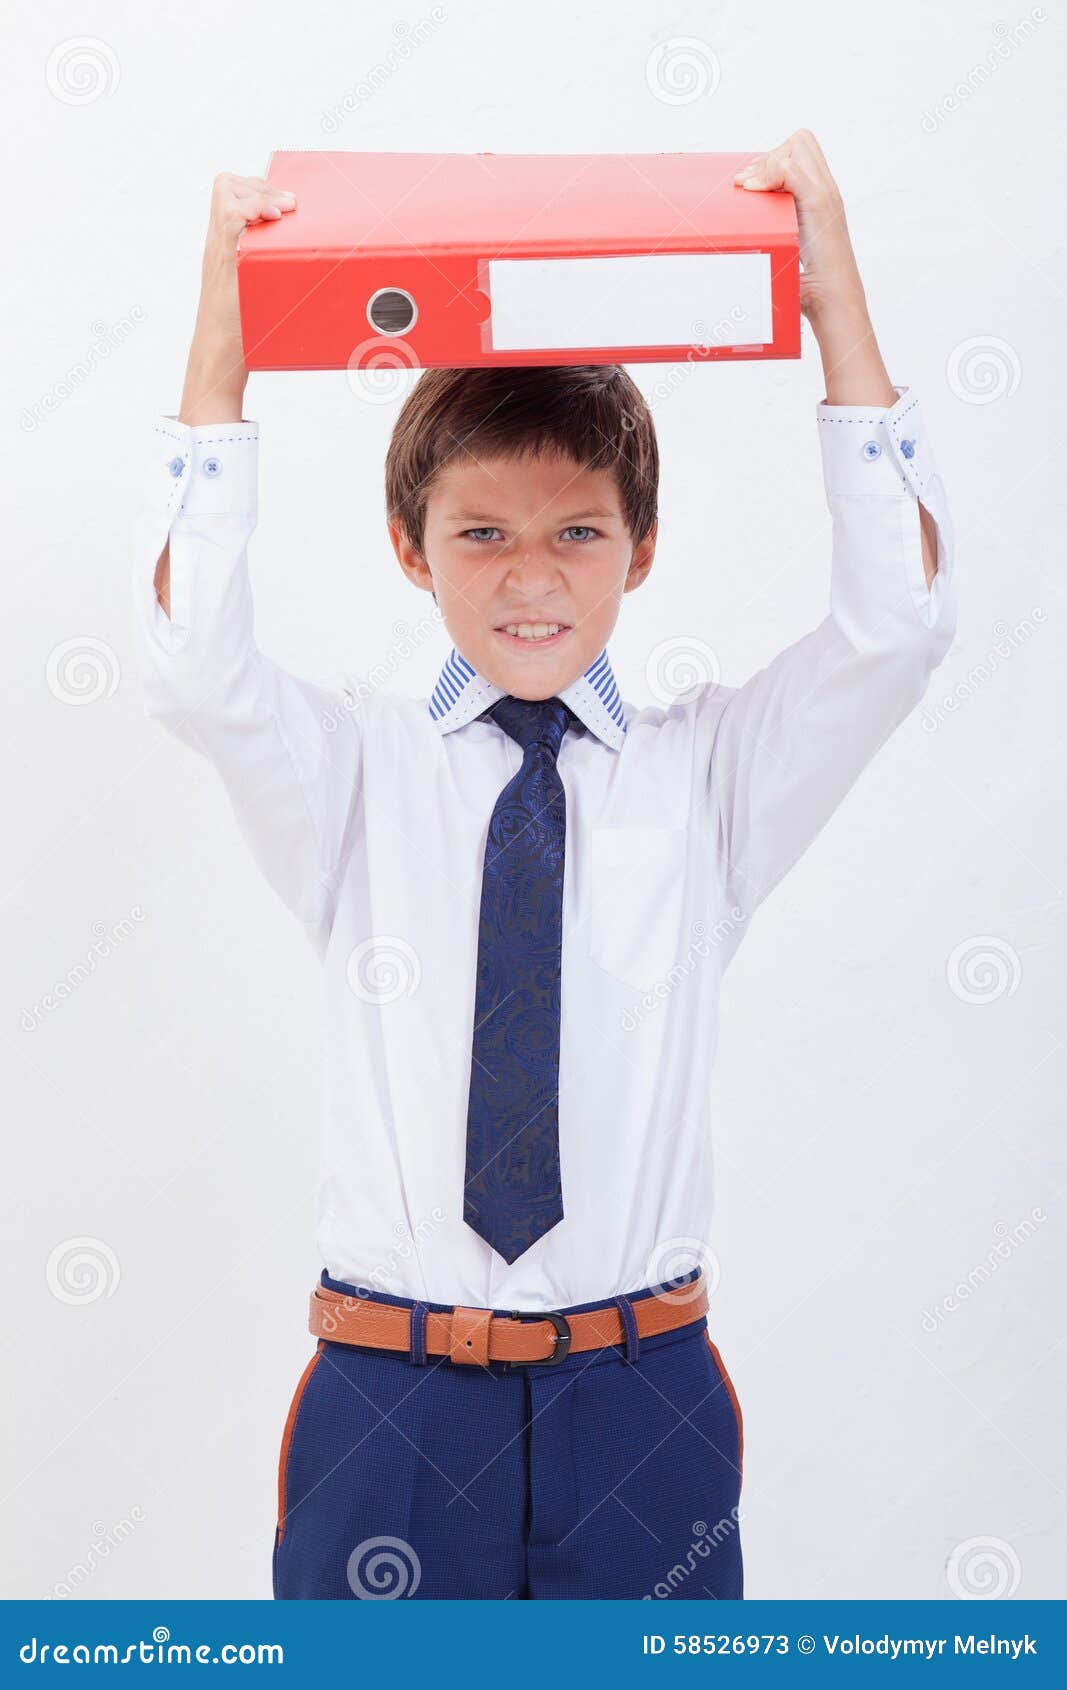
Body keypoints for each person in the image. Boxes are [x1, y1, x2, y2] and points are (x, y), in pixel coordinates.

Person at [130, 130, 956, 1600]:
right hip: (395, 1397)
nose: (529, 575)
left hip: (641, 1391)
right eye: (483, 532)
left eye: (579, 530)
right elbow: (195, 669)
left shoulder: (706, 774)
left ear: (640, 548)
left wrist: (831, 295)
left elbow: (896, 630)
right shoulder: (353, 770)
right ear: (409, 544)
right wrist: (223, 349)